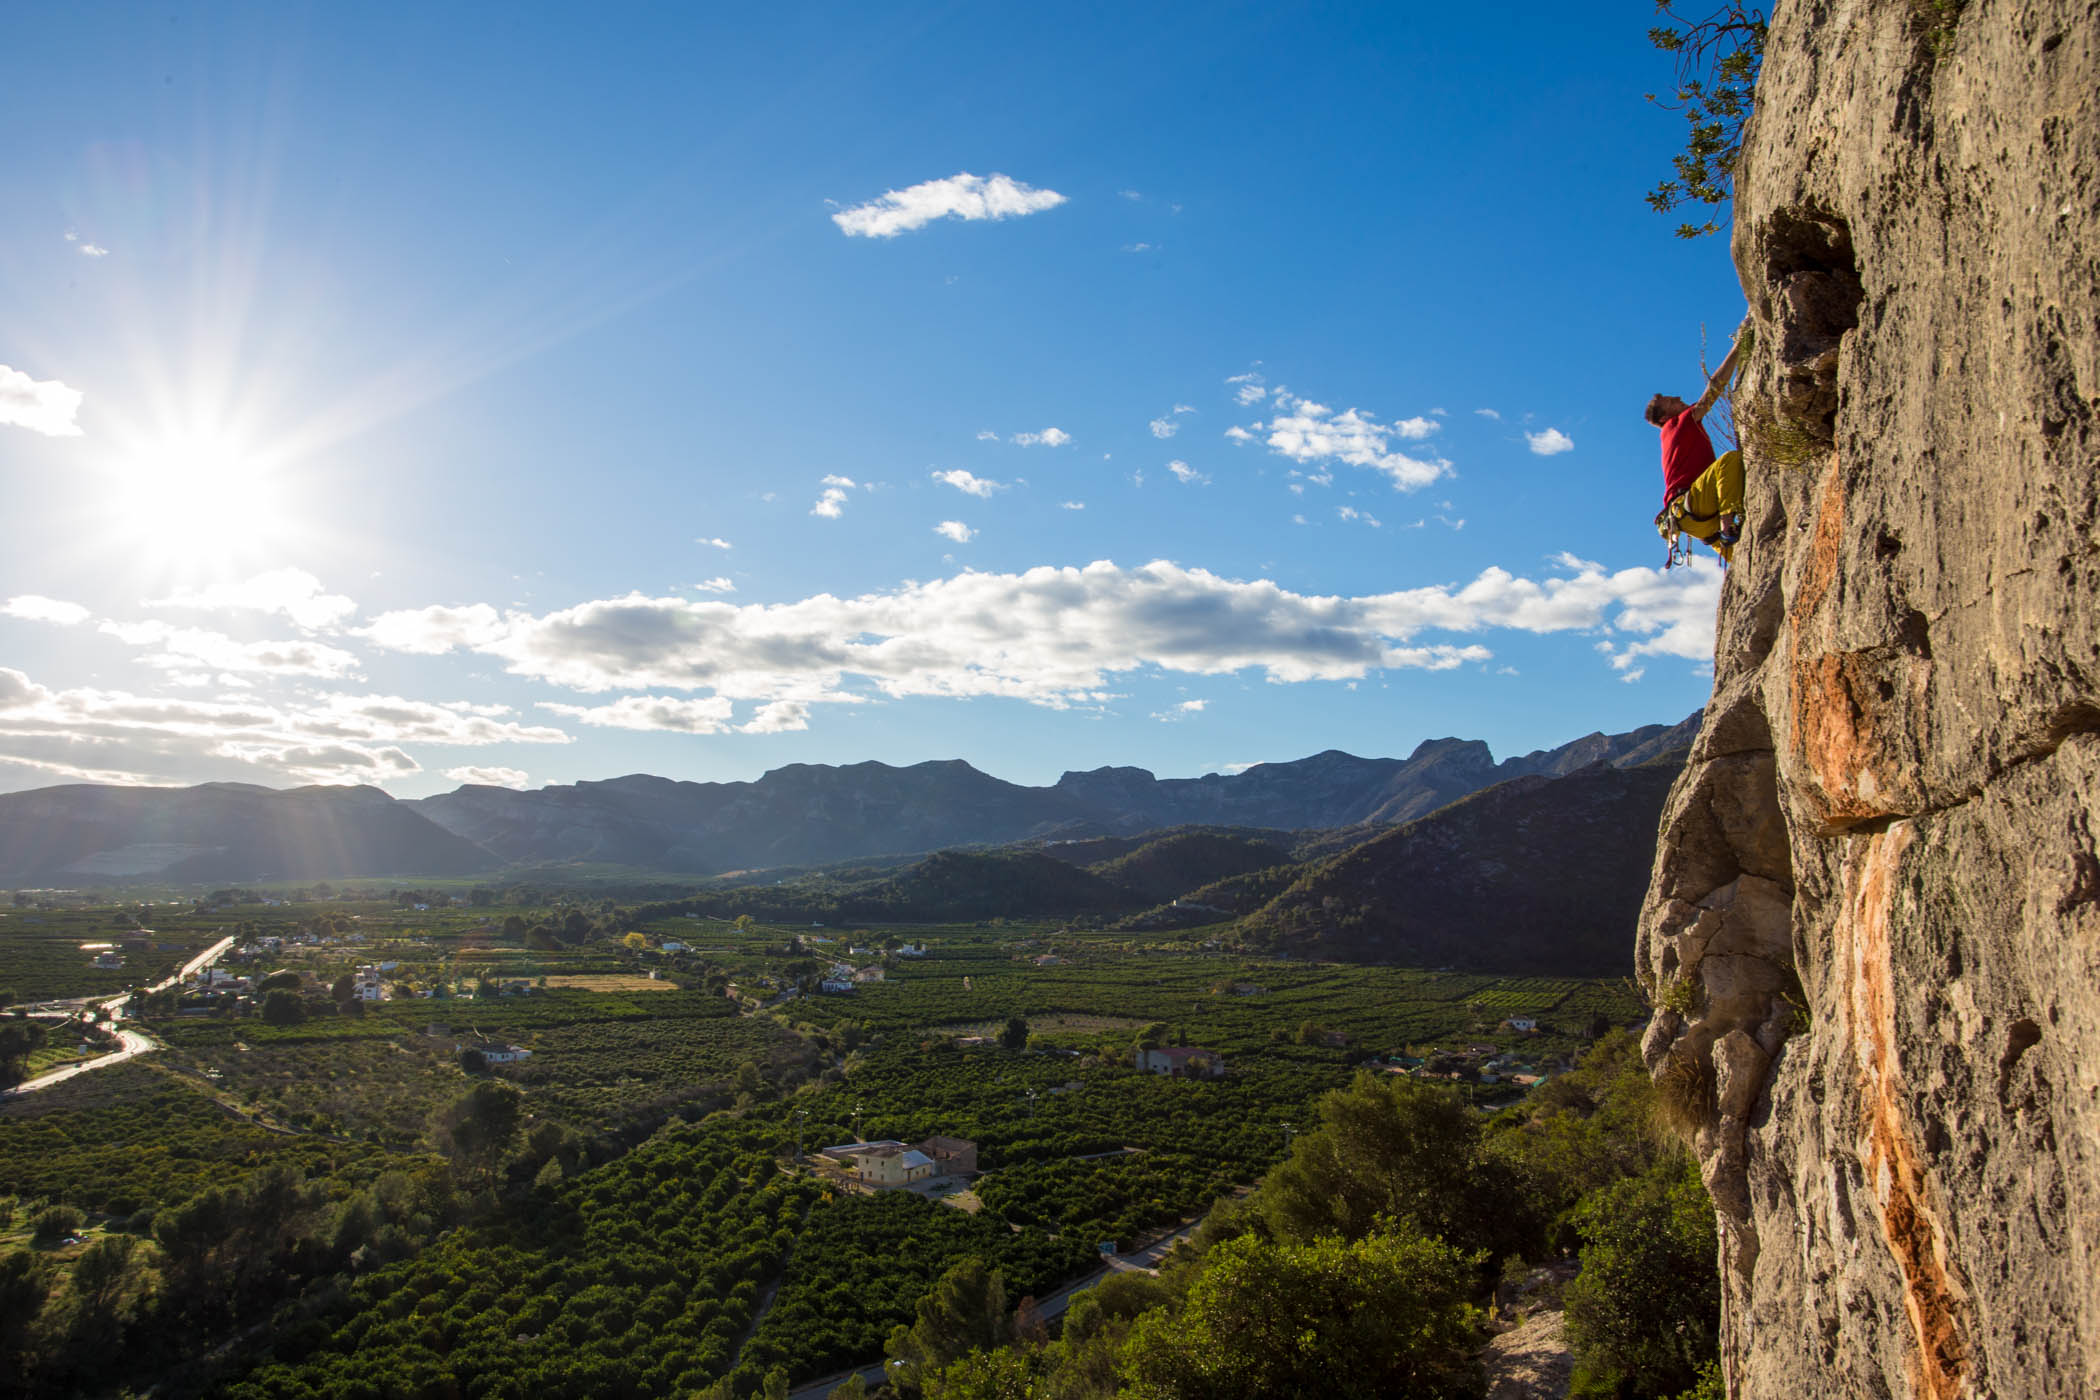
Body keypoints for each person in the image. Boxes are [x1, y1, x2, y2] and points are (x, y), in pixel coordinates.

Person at [1648, 328, 1748, 564]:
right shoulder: (1675, 425)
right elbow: (1714, 389)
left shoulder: (1674, 431)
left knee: (1746, 562)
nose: (1679, 398)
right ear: (1665, 417)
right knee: (1729, 461)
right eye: (1672, 401)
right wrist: (1738, 347)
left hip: (1695, 517)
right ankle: (1727, 525)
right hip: (1692, 504)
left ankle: (1724, 534)